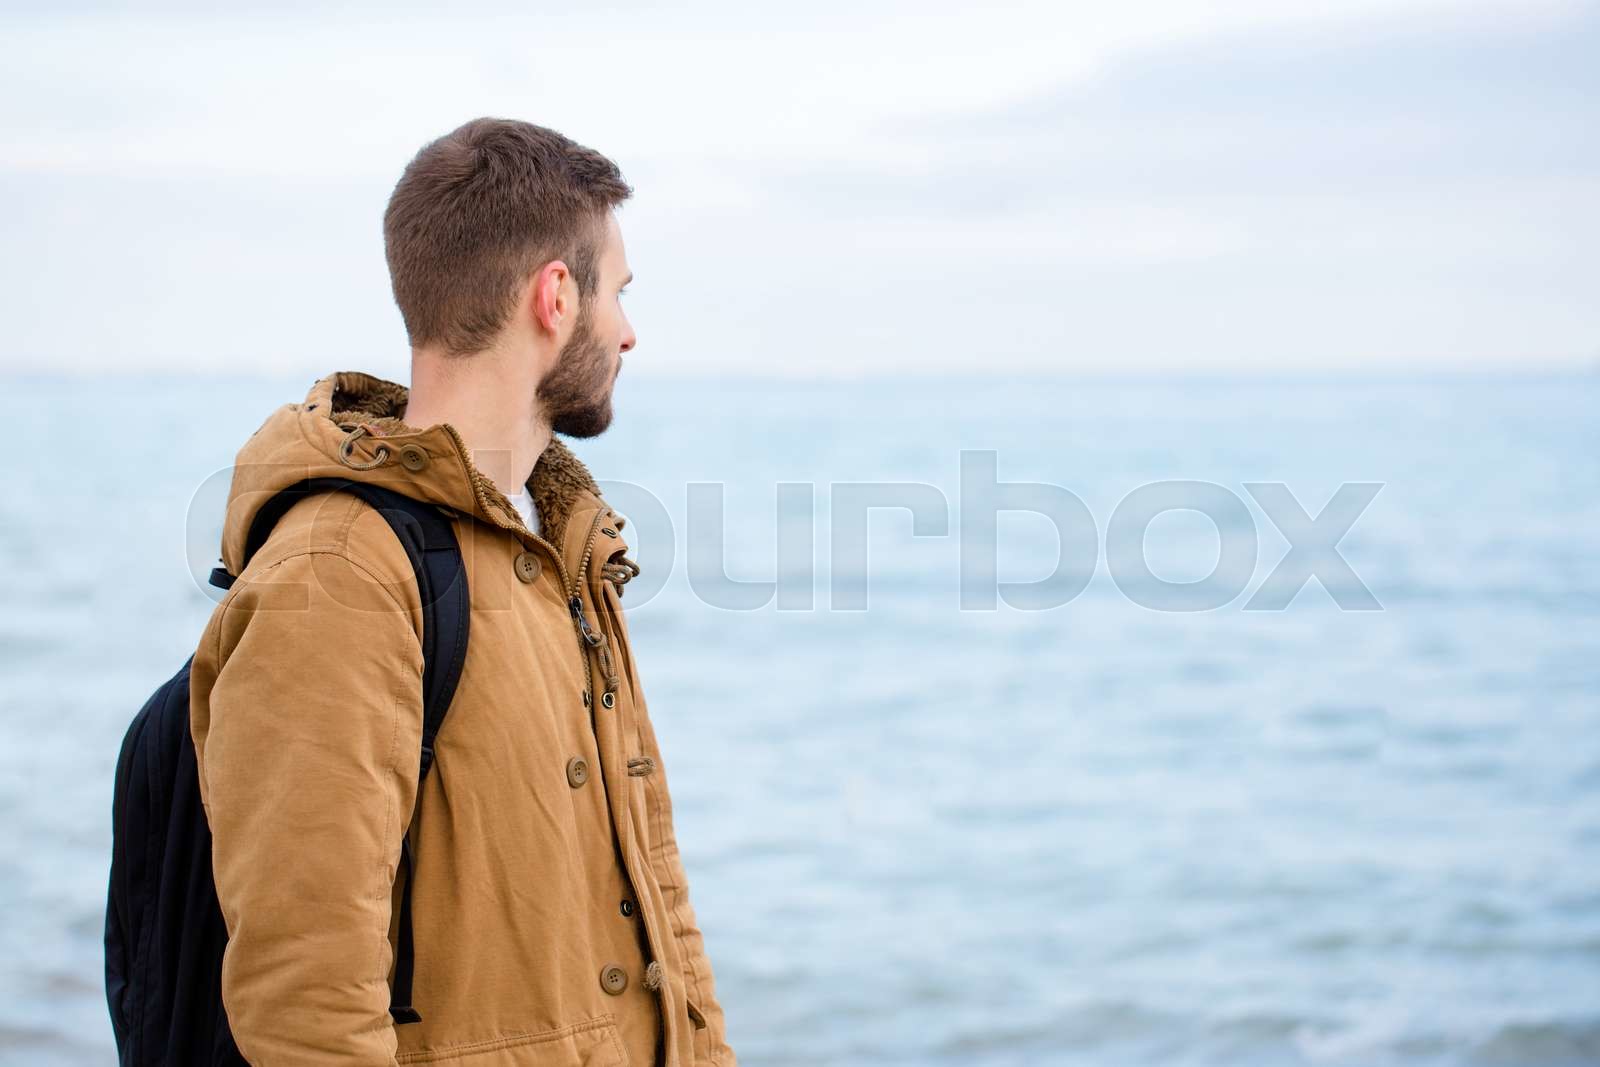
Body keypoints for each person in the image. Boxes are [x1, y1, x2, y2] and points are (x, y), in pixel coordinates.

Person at [188, 117, 736, 1066]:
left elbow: (658, 902)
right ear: (556, 296)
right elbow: (305, 1001)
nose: (630, 331)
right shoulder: (340, 573)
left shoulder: (564, 539)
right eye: (620, 291)